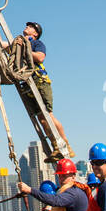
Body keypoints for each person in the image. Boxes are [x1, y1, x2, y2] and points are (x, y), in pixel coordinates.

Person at [19, 21, 68, 152]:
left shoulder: (36, 44)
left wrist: (26, 49)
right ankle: (55, 146)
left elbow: (40, 57)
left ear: (35, 33)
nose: (26, 27)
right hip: (30, 85)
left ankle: (65, 144)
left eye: (30, 27)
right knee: (42, 118)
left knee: (48, 115)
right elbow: (4, 46)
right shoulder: (20, 44)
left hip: (39, 82)